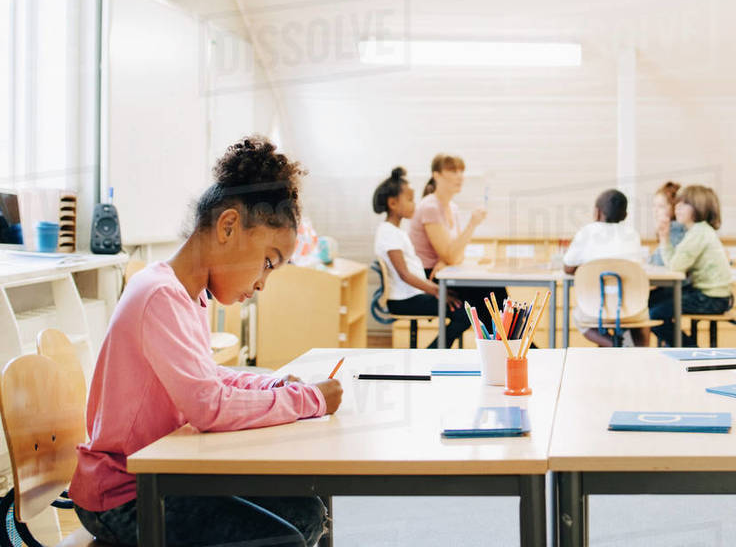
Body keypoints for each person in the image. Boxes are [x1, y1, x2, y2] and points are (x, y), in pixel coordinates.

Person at [70, 136, 342, 547]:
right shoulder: (159, 294)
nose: (262, 283)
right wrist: (311, 400)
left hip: (162, 473)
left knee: (308, 509)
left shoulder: (187, 294)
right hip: (121, 496)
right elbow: (209, 406)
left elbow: (206, 377)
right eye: (267, 262)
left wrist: (270, 383)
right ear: (228, 226)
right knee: (284, 537)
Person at [373, 166, 471, 347]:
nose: (414, 205)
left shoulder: (394, 231)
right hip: (404, 300)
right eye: (410, 199)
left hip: (411, 296)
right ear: (393, 203)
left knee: (464, 309)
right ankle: (430, 355)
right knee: (464, 314)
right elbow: (405, 274)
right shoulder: (388, 233)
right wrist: (437, 291)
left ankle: (432, 353)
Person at [408, 153, 505, 332]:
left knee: (495, 292)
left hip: (444, 270)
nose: (460, 176)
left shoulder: (452, 207)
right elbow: (453, 255)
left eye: (461, 171)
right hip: (429, 276)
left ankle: (506, 344)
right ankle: (509, 345)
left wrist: (445, 260)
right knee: (490, 295)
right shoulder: (430, 207)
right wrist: (472, 224)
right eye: (452, 170)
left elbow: (456, 255)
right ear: (436, 175)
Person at [646, 184, 733, 347]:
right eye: (677, 203)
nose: (677, 207)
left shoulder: (699, 233)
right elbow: (675, 263)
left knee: (654, 313)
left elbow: (675, 267)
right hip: (708, 294)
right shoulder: (697, 231)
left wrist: (664, 240)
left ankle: (690, 349)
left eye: (684, 204)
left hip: (712, 298)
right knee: (652, 301)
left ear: (698, 208)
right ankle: (686, 347)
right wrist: (664, 238)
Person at [563, 189, 645, 346]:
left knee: (578, 318)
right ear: (625, 215)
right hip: (631, 308)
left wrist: (587, 265)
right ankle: (638, 352)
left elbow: (567, 268)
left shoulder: (587, 232)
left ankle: (612, 345)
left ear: (597, 212)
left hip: (593, 308)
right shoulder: (632, 234)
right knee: (642, 317)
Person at [648, 181, 685, 266]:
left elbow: (659, 262)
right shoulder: (670, 229)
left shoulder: (677, 231)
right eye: (654, 205)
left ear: (675, 207)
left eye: (661, 206)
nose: (655, 211)